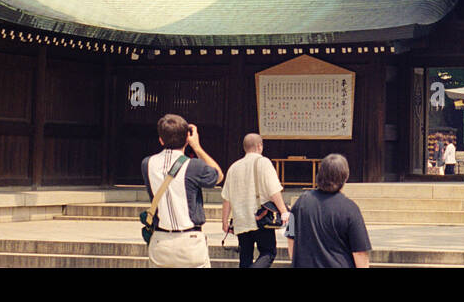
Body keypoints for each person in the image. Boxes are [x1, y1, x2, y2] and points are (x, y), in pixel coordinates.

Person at [141, 114, 224, 268]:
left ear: (161, 140)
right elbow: (218, 176)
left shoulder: (146, 164)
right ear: (187, 138)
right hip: (190, 241)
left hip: (160, 241)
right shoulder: (193, 166)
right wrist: (197, 147)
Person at [286, 153, 371, 268]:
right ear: (345, 177)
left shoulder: (300, 203)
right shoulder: (350, 209)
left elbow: (290, 236)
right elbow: (360, 252)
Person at [219, 133, 289, 269]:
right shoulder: (263, 162)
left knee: (245, 257)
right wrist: (283, 211)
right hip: (259, 219)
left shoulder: (233, 167)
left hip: (240, 220)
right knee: (268, 252)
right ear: (259, 146)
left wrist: (224, 221)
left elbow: (226, 199)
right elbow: (274, 190)